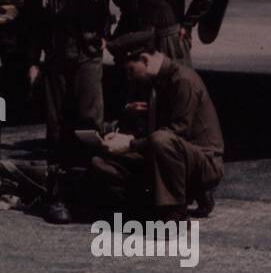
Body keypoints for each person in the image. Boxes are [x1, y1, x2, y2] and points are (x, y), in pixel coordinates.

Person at [23, 0, 110, 224]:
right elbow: (35, 24)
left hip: (87, 59)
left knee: (89, 124)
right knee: (56, 126)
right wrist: (34, 61)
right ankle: (57, 196)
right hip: (56, 60)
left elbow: (116, 6)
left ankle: (91, 193)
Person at [88, 29, 224, 216]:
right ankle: (167, 199)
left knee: (162, 140)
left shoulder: (182, 80)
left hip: (202, 162)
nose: (129, 76)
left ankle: (175, 214)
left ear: (144, 60)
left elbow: (176, 133)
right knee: (100, 163)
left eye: (131, 70)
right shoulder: (154, 81)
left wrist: (130, 144)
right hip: (168, 159)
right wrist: (124, 137)